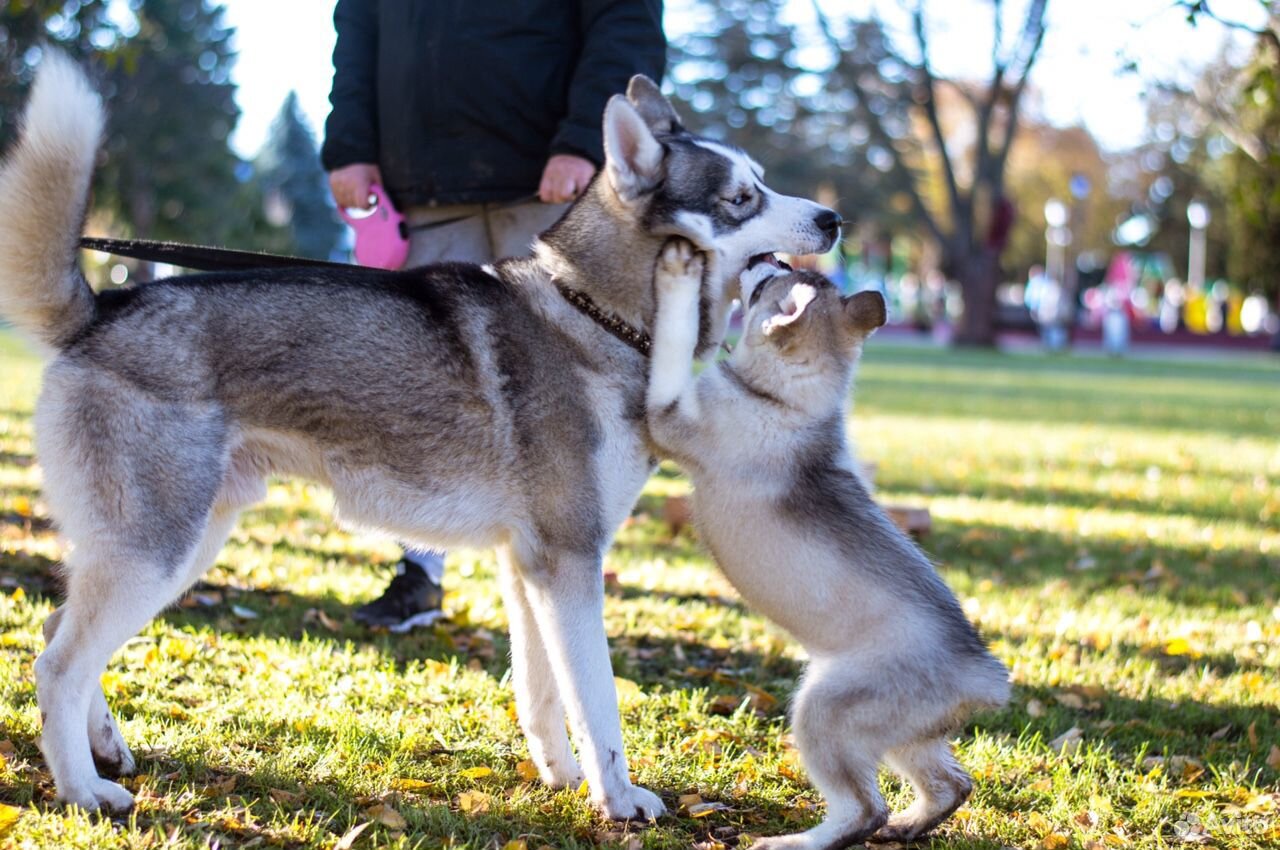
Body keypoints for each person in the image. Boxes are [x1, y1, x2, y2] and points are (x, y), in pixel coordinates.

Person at [320, 0, 666, 631]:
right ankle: (420, 574)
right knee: (416, 391)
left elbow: (625, 21)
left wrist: (584, 140)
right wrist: (348, 144)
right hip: (419, 188)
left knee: (567, 388)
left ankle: (567, 564)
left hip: (549, 185)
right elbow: (359, 26)